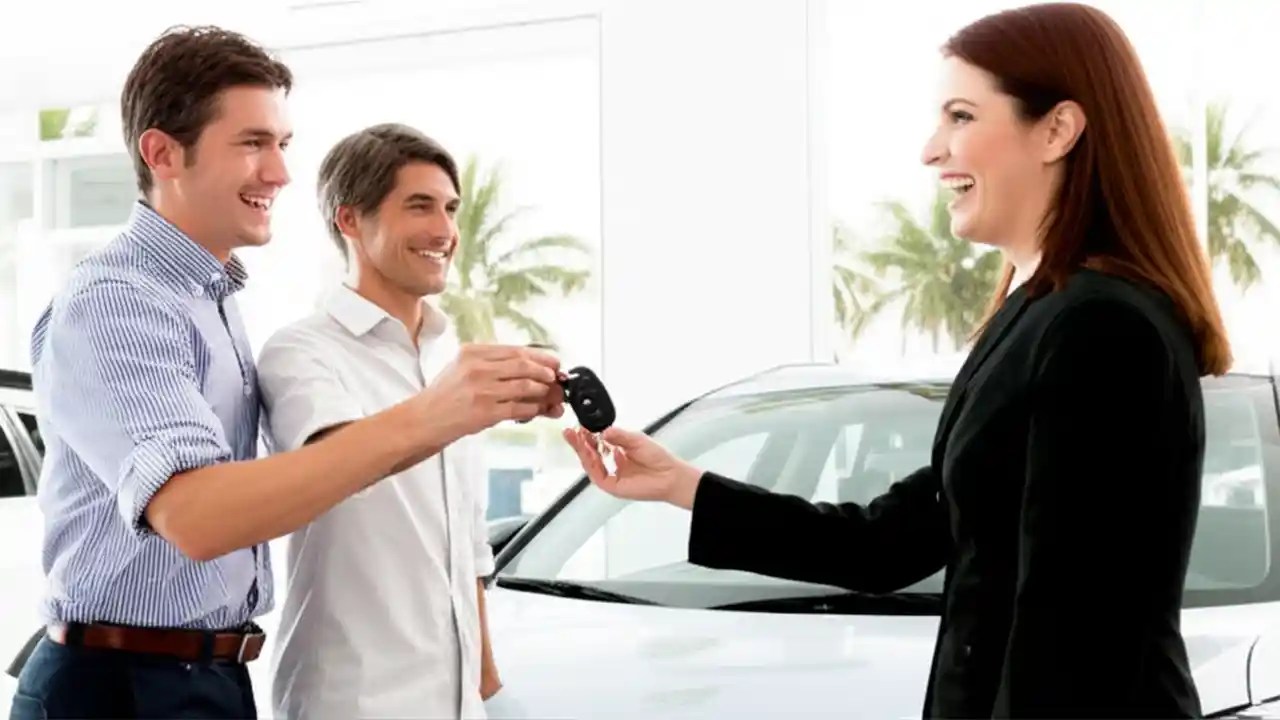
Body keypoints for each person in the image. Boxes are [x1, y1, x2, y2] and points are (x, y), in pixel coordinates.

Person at [564, 3, 1231, 718]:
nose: (932, 150)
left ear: (1058, 130)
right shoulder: (1038, 316)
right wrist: (682, 484)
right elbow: (886, 543)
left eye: (961, 116)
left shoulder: (1101, 328)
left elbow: (1070, 639)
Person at [11, 29, 562, 720]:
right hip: (123, 685)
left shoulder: (211, 299)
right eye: (252, 144)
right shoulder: (117, 301)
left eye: (282, 145)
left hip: (204, 674)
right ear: (162, 153)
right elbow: (197, 516)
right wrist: (438, 412)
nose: (279, 172)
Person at [254, 124, 522, 719]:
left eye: (450, 209)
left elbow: (468, 548)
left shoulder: (448, 360)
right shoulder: (301, 353)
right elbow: (340, 463)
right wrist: (452, 410)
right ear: (350, 220)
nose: (445, 231)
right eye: (419, 206)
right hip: (352, 703)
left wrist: (491, 693)